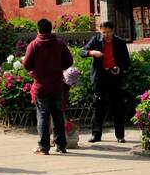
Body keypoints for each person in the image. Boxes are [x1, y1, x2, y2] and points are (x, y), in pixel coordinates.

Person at [23, 18, 73, 155]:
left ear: (38, 29)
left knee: (43, 117)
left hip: (41, 86)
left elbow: (26, 64)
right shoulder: (60, 44)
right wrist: (58, 69)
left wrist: (36, 70)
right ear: (51, 29)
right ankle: (61, 145)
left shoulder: (34, 45)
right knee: (58, 115)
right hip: (57, 85)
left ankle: (44, 147)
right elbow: (69, 61)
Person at [83, 21, 131, 143]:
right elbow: (82, 52)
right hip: (100, 77)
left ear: (113, 31)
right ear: (100, 31)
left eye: (108, 32)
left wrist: (120, 67)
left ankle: (120, 136)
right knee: (98, 106)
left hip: (114, 76)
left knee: (117, 107)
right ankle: (96, 135)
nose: (106, 35)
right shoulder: (95, 40)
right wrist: (92, 52)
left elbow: (126, 61)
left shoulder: (120, 42)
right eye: (103, 32)